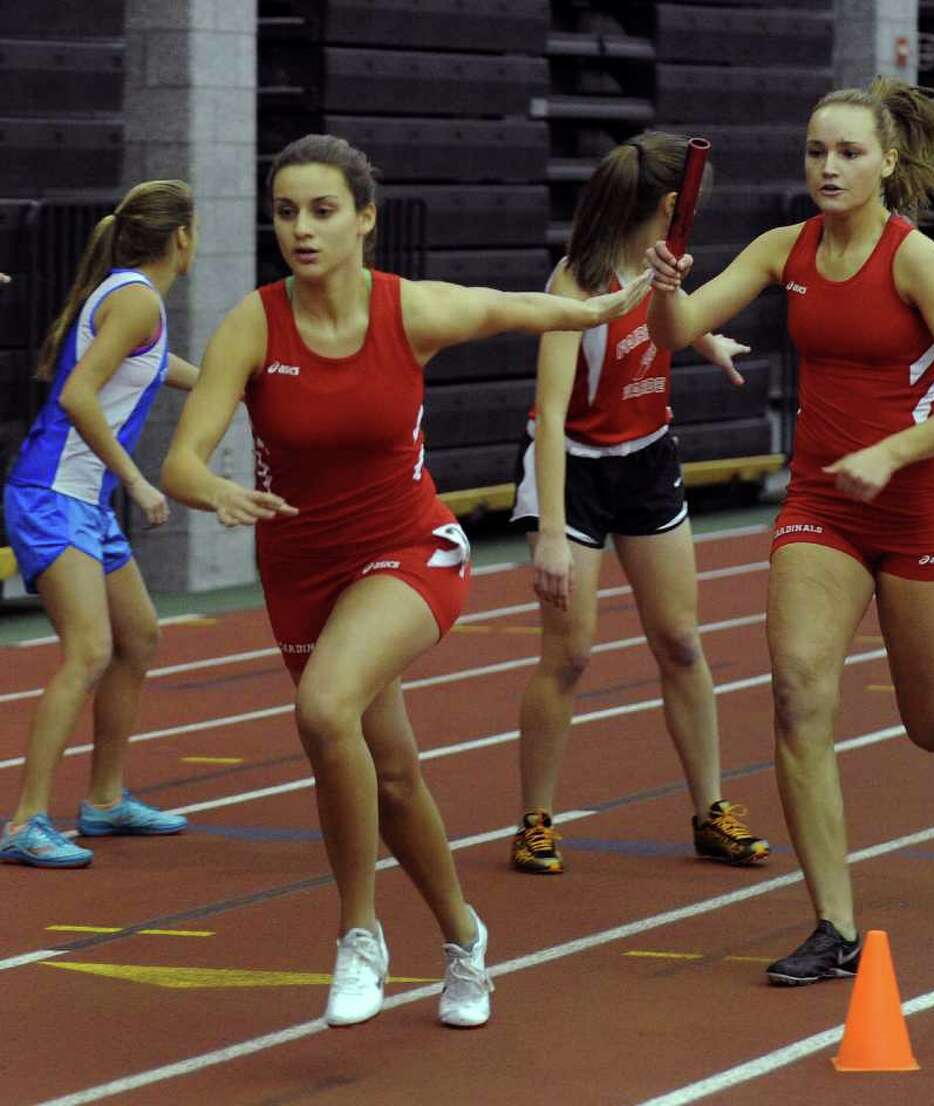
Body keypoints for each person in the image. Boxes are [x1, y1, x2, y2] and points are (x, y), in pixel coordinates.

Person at [161, 134, 653, 1029]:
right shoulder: (252, 324)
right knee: (390, 776)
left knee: (321, 711)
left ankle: (359, 936)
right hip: (301, 570)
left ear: (364, 219)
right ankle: (465, 937)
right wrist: (219, 491)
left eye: (321, 211)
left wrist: (618, 300)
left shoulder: (410, 311)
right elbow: (181, 463)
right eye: (285, 212)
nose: (302, 230)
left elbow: (517, 311)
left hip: (408, 549)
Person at [644, 78, 934, 986]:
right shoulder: (780, 248)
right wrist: (666, 288)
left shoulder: (914, 260)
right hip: (822, 506)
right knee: (797, 693)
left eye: (847, 153)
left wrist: (896, 451)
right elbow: (675, 331)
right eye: (815, 152)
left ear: (887, 162)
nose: (827, 169)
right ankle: (832, 925)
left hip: (919, 507)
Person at [508, 132, 770, 875]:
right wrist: (552, 533)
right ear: (667, 206)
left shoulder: (666, 271)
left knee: (683, 643)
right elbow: (552, 415)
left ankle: (711, 810)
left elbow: (663, 325)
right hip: (576, 470)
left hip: (648, 459)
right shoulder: (575, 284)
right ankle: (535, 820)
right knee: (571, 654)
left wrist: (706, 340)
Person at [1, 180, 199, 869]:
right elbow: (82, 391)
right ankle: (24, 821)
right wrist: (139, 479)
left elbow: (144, 366)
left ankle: (106, 801)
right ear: (183, 238)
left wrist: (226, 381)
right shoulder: (136, 297)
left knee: (138, 637)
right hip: (53, 496)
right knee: (89, 651)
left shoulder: (131, 298)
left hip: (82, 499)